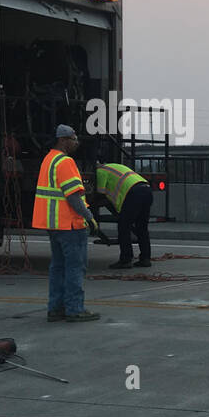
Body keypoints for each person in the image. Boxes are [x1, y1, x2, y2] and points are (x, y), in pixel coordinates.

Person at [32, 124, 100, 323]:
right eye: (73, 138)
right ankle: (75, 308)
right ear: (62, 140)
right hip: (70, 225)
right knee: (75, 268)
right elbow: (73, 198)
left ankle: (56, 308)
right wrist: (89, 217)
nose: (76, 142)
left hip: (53, 225)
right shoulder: (65, 162)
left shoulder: (49, 159)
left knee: (58, 267)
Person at [90, 161, 152, 268]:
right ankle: (145, 259)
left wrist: (90, 205)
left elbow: (100, 194)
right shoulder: (114, 166)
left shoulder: (100, 171)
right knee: (142, 227)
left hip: (133, 194)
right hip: (146, 189)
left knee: (124, 227)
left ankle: (126, 259)